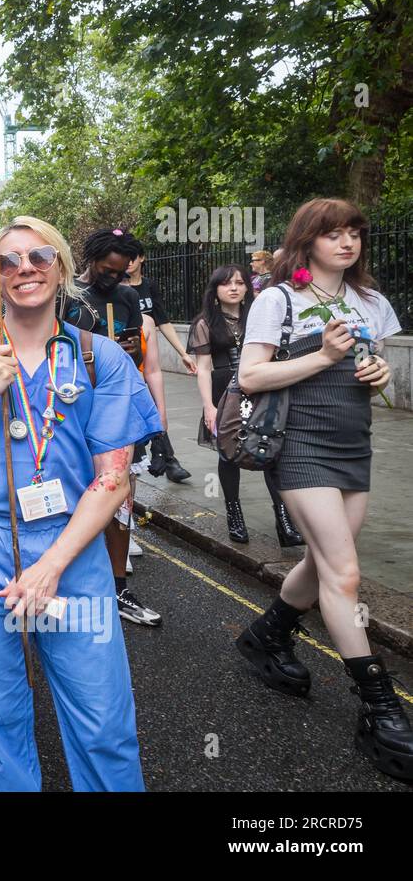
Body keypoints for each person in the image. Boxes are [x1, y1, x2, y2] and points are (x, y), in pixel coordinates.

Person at [0, 216, 162, 791]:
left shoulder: (100, 359)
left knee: (102, 715)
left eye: (39, 257)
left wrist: (50, 566)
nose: (25, 269)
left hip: (70, 549)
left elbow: (113, 481)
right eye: (8, 260)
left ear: (62, 268)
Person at [234, 198, 409, 781]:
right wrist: (322, 356)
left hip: (353, 442)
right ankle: (380, 707)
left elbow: (373, 366)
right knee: (344, 573)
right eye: (333, 233)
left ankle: (268, 635)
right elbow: (251, 377)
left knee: (324, 560)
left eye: (354, 232)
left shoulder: (373, 303)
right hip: (300, 444)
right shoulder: (278, 300)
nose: (347, 242)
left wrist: (376, 371)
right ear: (307, 241)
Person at [63, 228, 165, 627]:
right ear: (91, 259)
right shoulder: (66, 297)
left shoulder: (126, 299)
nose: (114, 279)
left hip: (117, 410)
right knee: (74, 498)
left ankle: (117, 586)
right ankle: (71, 580)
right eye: (107, 271)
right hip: (71, 411)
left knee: (120, 501)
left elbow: (140, 353)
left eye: (121, 273)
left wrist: (127, 351)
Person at [189, 265, 304, 546]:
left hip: (260, 388)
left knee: (271, 449)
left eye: (240, 283)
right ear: (215, 289)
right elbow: (203, 368)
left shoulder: (260, 314)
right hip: (223, 390)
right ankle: (234, 515)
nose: (234, 288)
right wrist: (208, 406)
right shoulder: (204, 323)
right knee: (228, 454)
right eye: (227, 283)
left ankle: (285, 521)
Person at [124, 245, 198, 480]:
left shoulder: (149, 286)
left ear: (142, 258)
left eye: (132, 257)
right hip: (128, 357)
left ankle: (166, 459)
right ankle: (167, 460)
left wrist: (183, 352)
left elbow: (161, 320)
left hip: (146, 349)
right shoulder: (117, 288)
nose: (128, 263)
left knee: (157, 407)